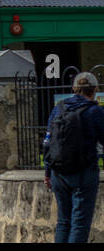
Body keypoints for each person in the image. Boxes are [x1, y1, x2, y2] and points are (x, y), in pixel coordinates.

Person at [42, 72, 104, 242]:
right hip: (84, 173)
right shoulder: (94, 111)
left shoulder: (58, 108)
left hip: (58, 173)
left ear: (74, 89)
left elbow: (48, 143)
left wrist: (48, 171)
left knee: (63, 221)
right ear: (95, 90)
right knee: (80, 224)